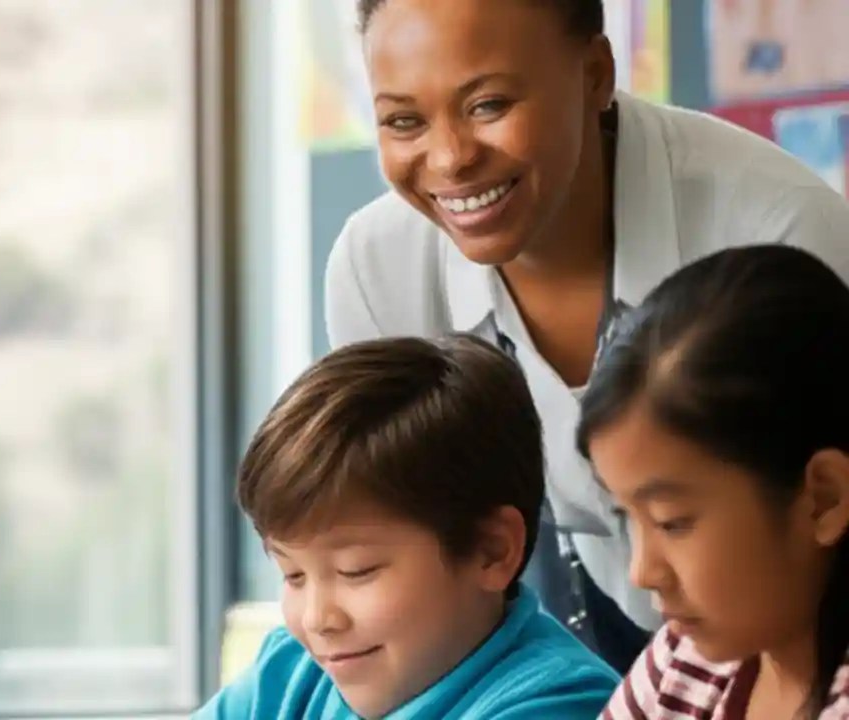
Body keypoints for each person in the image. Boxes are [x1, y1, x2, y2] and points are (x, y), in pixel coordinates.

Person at [327, 0, 849, 671]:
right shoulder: (378, 269)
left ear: (597, 74)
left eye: (488, 105)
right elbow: (406, 549)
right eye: (404, 120)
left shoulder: (779, 236)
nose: (451, 159)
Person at [195, 336, 617, 719]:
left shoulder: (561, 705)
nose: (318, 619)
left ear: (491, 550)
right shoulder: (293, 671)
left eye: (356, 570)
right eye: (293, 575)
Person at [577, 245, 849, 719]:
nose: (641, 572)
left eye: (672, 522)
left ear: (823, 499)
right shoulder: (685, 659)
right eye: (627, 518)